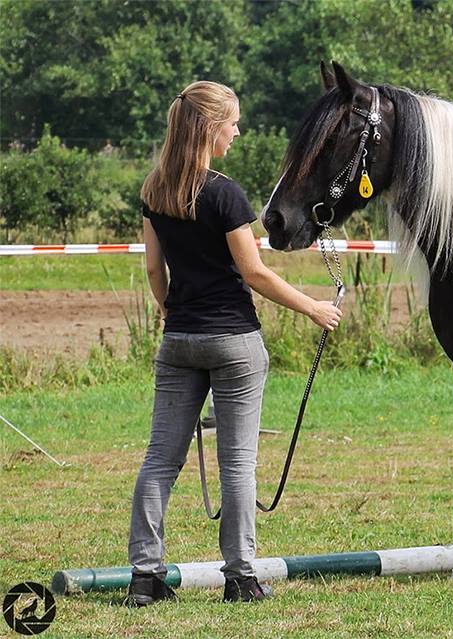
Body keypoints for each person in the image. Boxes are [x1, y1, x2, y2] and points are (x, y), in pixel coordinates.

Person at [127, 80, 342, 606]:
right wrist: (313, 306)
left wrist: (166, 310)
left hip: (178, 340)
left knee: (160, 459)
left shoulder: (156, 189)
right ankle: (241, 577)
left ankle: (145, 577)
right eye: (233, 122)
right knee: (239, 461)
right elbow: (254, 272)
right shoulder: (225, 193)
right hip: (233, 342)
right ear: (209, 128)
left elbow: (154, 268)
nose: (238, 131)